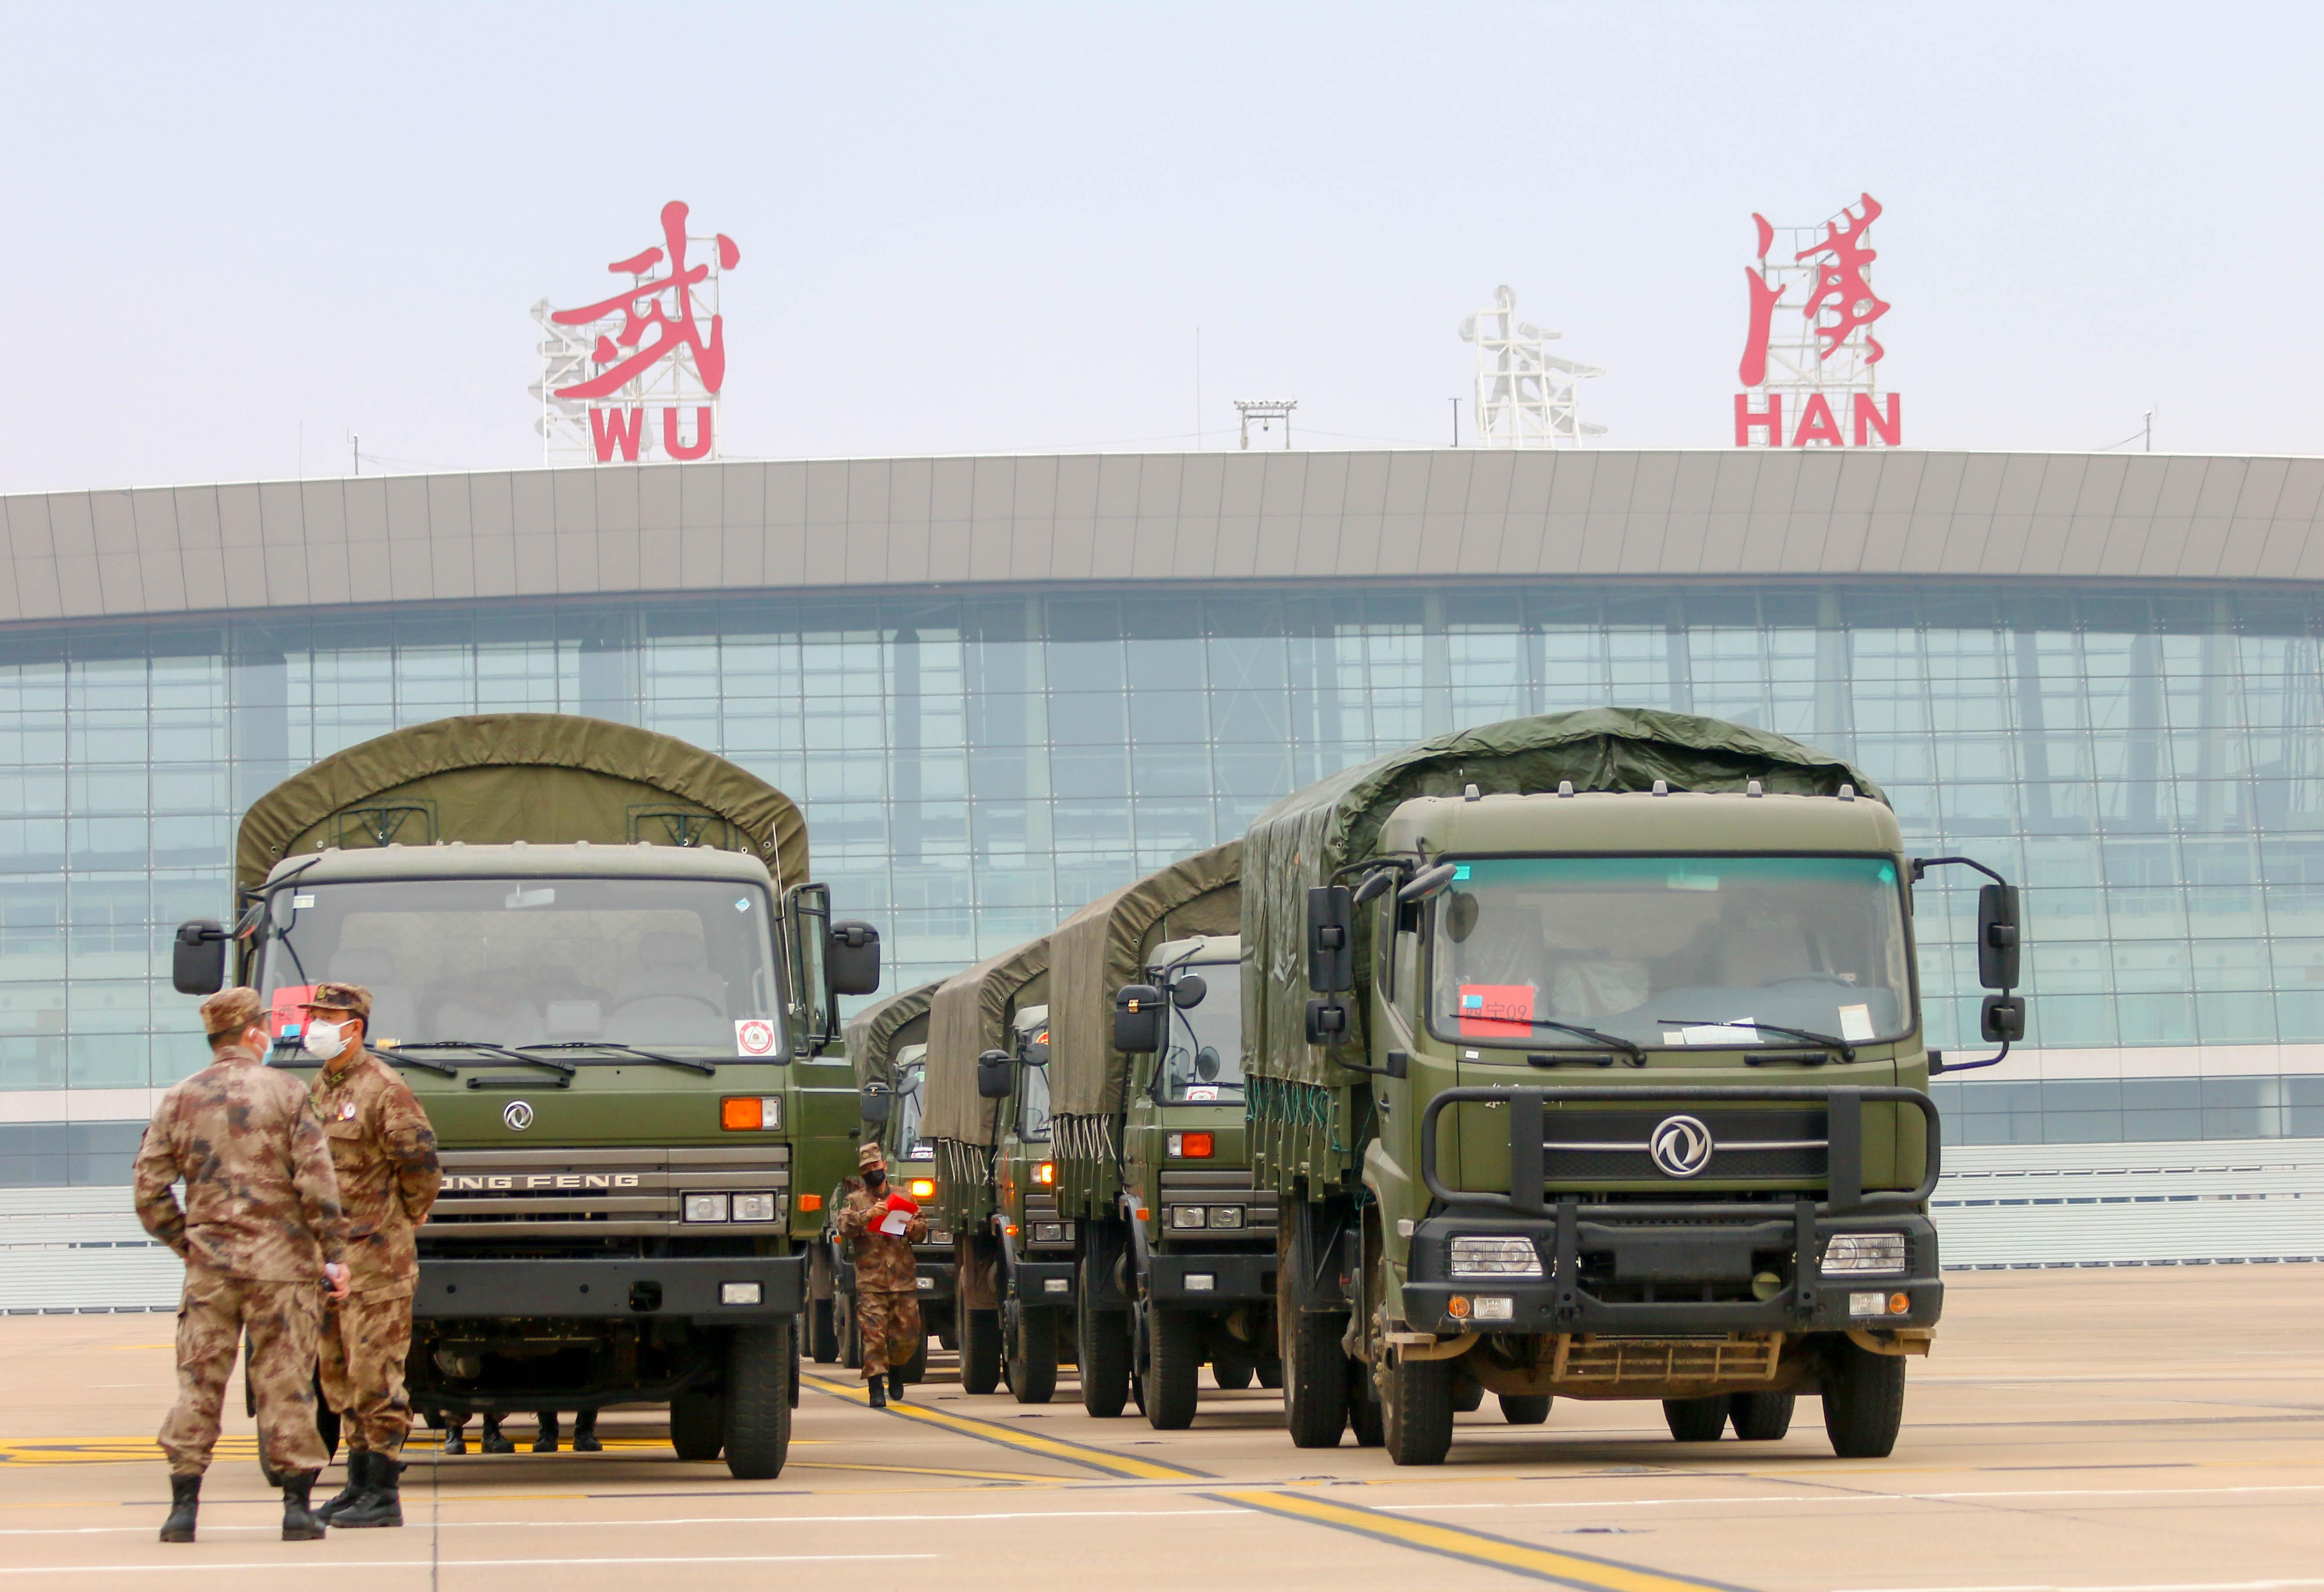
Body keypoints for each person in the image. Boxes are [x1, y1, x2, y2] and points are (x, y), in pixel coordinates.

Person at [134, 987, 350, 1545]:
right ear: (254, 1032)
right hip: (283, 1268)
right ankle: (297, 1509)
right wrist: (334, 1254)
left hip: (211, 1269)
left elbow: (148, 1189)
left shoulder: (179, 1098)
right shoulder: (288, 1092)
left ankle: (183, 1510)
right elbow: (317, 1182)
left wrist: (189, 1244)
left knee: (199, 1382)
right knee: (287, 1382)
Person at [298, 982, 442, 1530]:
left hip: (379, 1262)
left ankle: (383, 1493)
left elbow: (421, 1164)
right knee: (340, 1377)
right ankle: (358, 1485)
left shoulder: (384, 1089)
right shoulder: (324, 1085)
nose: (314, 1026)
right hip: (334, 1261)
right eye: (313, 1016)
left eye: (325, 1017)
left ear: (354, 1027)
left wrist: (402, 1220)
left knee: (376, 1376)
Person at [832, 1141, 927, 1408]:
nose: (872, 1171)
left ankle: (896, 1370)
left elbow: (922, 1227)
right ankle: (876, 1388)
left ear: (884, 1165)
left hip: (903, 1281)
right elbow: (844, 1226)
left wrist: (913, 1227)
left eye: (875, 1165)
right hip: (871, 1282)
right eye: (866, 1169)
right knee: (874, 1337)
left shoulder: (904, 1196)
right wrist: (867, 1215)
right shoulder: (855, 1201)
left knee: (907, 1336)